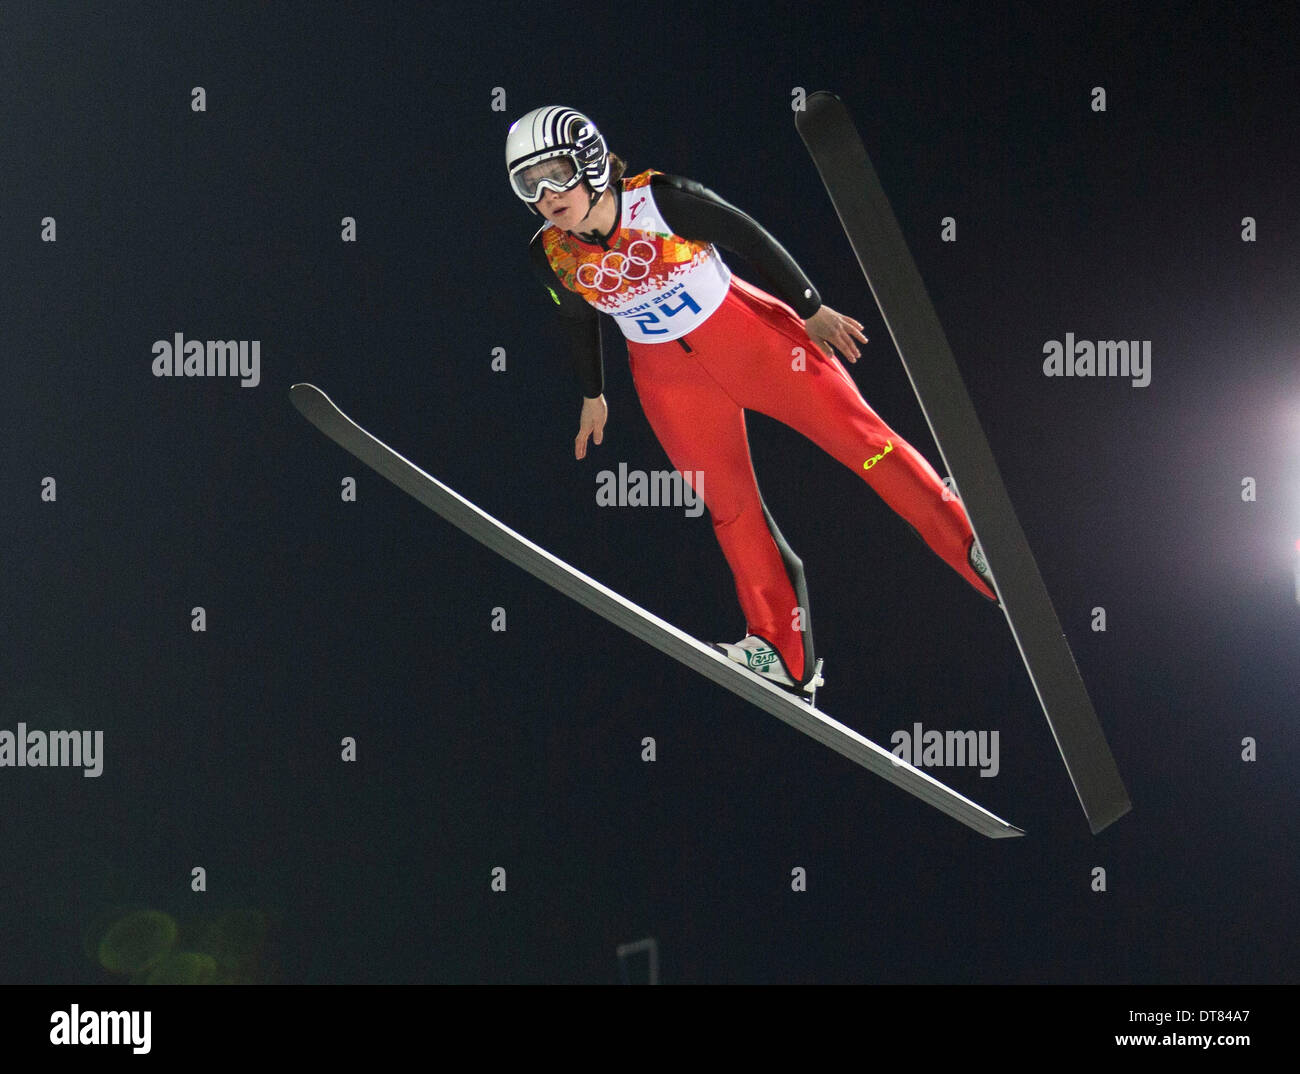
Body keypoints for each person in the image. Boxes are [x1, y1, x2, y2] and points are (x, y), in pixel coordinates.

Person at [507, 105, 997, 698]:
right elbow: (577, 318)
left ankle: (972, 544)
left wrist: (811, 306)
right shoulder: (550, 254)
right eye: (530, 183)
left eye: (557, 172)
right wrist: (593, 394)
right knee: (731, 509)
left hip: (755, 346)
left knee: (863, 447)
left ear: (587, 159)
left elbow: (749, 235)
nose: (548, 194)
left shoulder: (660, 201)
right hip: (670, 383)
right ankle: (782, 650)